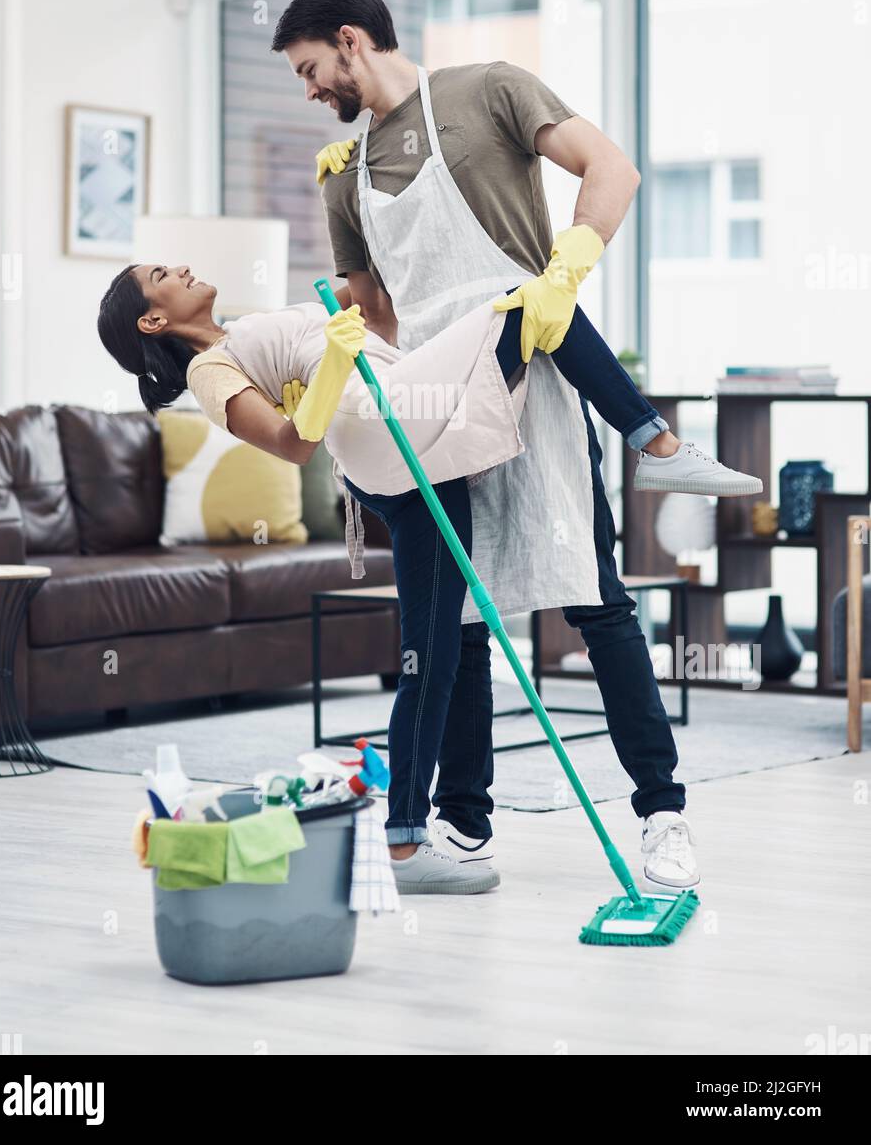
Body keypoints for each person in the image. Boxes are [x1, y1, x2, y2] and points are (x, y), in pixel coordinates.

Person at [262, 0, 761, 895]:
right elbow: (377, 312)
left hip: (532, 367)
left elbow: (611, 169)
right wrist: (316, 342)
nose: (310, 91)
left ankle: (662, 814)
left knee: (596, 601)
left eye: (309, 69)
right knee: (458, 619)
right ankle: (464, 825)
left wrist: (568, 267)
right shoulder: (345, 172)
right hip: (433, 396)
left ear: (351, 39)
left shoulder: (489, 88)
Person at [97, 257, 751, 895]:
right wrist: (333, 360)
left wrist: (357, 272)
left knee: (437, 648)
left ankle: (419, 834)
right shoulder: (209, 370)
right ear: (153, 322)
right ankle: (658, 445)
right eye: (159, 277)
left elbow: (375, 299)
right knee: (533, 304)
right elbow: (293, 443)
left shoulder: (245, 329)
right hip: (383, 427)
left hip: (411, 434)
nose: (178, 268)